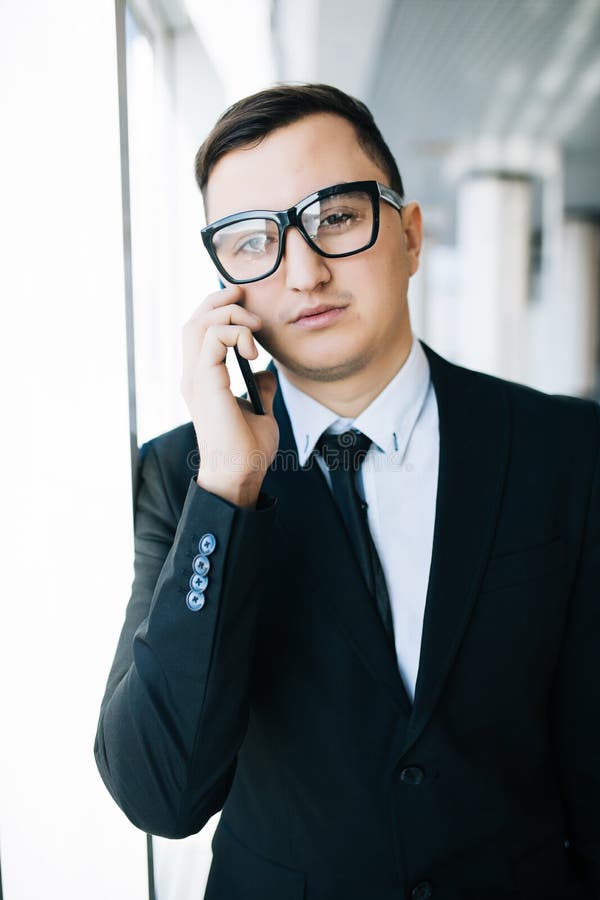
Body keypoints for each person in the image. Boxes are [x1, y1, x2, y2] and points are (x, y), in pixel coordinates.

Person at [95, 83, 600, 900]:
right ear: (228, 286)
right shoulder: (186, 475)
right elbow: (161, 791)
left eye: (334, 217)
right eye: (253, 240)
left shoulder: (567, 451)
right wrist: (230, 488)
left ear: (408, 234)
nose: (304, 271)